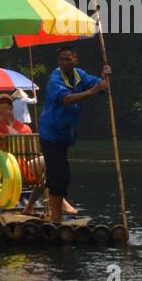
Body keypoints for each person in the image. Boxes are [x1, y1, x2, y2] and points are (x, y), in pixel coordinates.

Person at [39, 47, 111, 224]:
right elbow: (65, 100)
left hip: (64, 136)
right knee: (59, 176)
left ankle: (55, 215)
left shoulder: (80, 75)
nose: (64, 63)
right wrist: (90, 92)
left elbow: (100, 86)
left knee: (60, 176)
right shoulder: (55, 78)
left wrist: (105, 77)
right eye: (61, 60)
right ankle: (56, 218)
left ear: (75, 60)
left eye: (68, 59)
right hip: (50, 134)